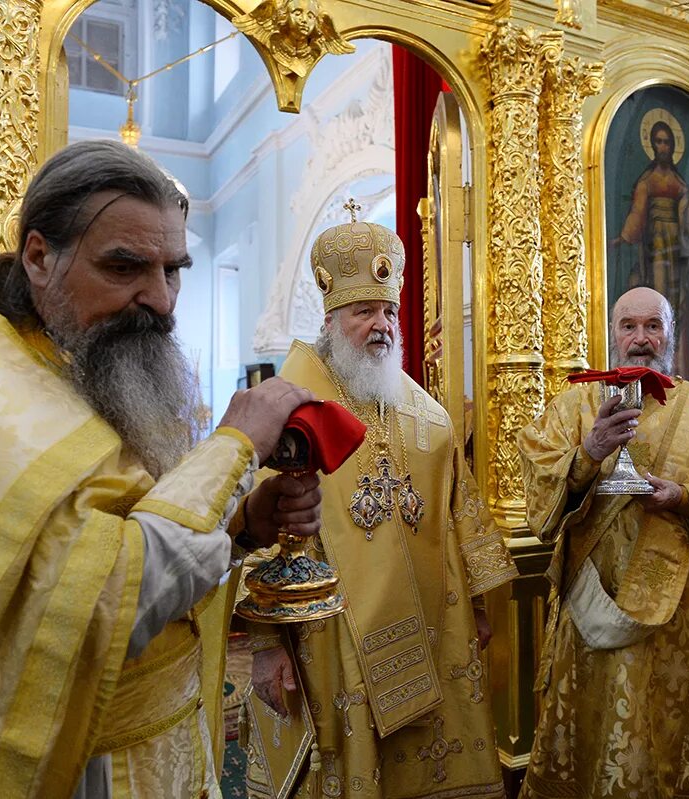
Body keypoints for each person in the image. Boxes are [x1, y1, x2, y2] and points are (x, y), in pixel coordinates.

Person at [0, 139, 324, 798]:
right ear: (39, 256)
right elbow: (102, 595)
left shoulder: (85, 356)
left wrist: (241, 523)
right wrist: (235, 444)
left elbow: (126, 516)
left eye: (173, 269)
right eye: (125, 267)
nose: (162, 300)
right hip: (79, 764)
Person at [235, 206, 518, 798]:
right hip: (329, 641)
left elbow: (458, 514)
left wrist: (479, 607)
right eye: (365, 312)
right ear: (333, 319)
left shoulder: (428, 418)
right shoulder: (286, 412)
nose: (382, 325)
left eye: (389, 311)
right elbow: (253, 530)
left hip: (437, 634)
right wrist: (264, 649)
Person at [517, 287, 689, 799]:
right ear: (613, 334)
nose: (641, 339)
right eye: (629, 326)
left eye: (653, 326)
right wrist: (588, 451)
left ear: (673, 335)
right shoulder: (574, 406)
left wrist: (684, 496)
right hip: (591, 613)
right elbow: (538, 491)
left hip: (680, 628)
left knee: (668, 741)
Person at [611, 121, 689, 364]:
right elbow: (637, 213)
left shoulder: (678, 180)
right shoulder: (647, 180)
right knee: (660, 287)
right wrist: (623, 237)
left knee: (675, 296)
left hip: (676, 244)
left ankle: (675, 358)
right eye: (628, 327)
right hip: (656, 245)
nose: (662, 147)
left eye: (666, 141)